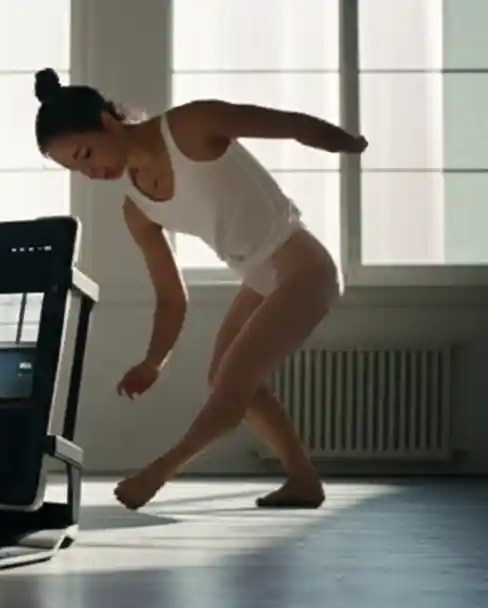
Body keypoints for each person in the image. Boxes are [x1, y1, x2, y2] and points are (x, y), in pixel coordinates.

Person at [31, 68, 367, 511]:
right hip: (260, 278)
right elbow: (172, 297)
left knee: (233, 383)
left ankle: (159, 472)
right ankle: (304, 480)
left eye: (86, 153)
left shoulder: (190, 126)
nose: (90, 172)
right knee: (226, 381)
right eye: (76, 167)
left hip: (304, 266)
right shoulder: (137, 210)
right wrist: (153, 361)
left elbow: (285, 124)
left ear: (108, 121)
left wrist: (346, 141)